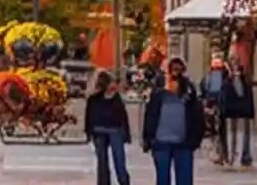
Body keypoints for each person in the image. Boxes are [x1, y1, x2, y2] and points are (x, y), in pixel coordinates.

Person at [142, 57, 204, 185]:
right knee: (163, 179)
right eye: (173, 70)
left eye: (179, 70)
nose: (176, 73)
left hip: (184, 143)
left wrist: (194, 140)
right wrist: (148, 139)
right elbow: (150, 115)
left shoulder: (189, 92)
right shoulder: (158, 91)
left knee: (185, 180)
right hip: (161, 143)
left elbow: (197, 116)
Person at [84, 70, 131, 185]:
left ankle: (124, 181)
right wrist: (88, 132)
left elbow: (122, 115)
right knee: (102, 163)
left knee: (119, 161)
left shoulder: (116, 98)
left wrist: (126, 133)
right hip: (99, 130)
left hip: (115, 130)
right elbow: (89, 115)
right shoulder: (94, 98)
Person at [221, 55, 255, 170]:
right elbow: (224, 96)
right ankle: (231, 158)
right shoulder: (226, 80)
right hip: (231, 112)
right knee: (232, 134)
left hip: (241, 111)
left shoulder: (244, 80)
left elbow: (246, 96)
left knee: (240, 135)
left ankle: (240, 158)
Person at [199, 54, 229, 166]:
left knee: (217, 132)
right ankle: (222, 154)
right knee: (219, 131)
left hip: (215, 107)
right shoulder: (222, 77)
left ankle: (221, 154)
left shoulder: (210, 77)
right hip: (217, 107)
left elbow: (202, 91)